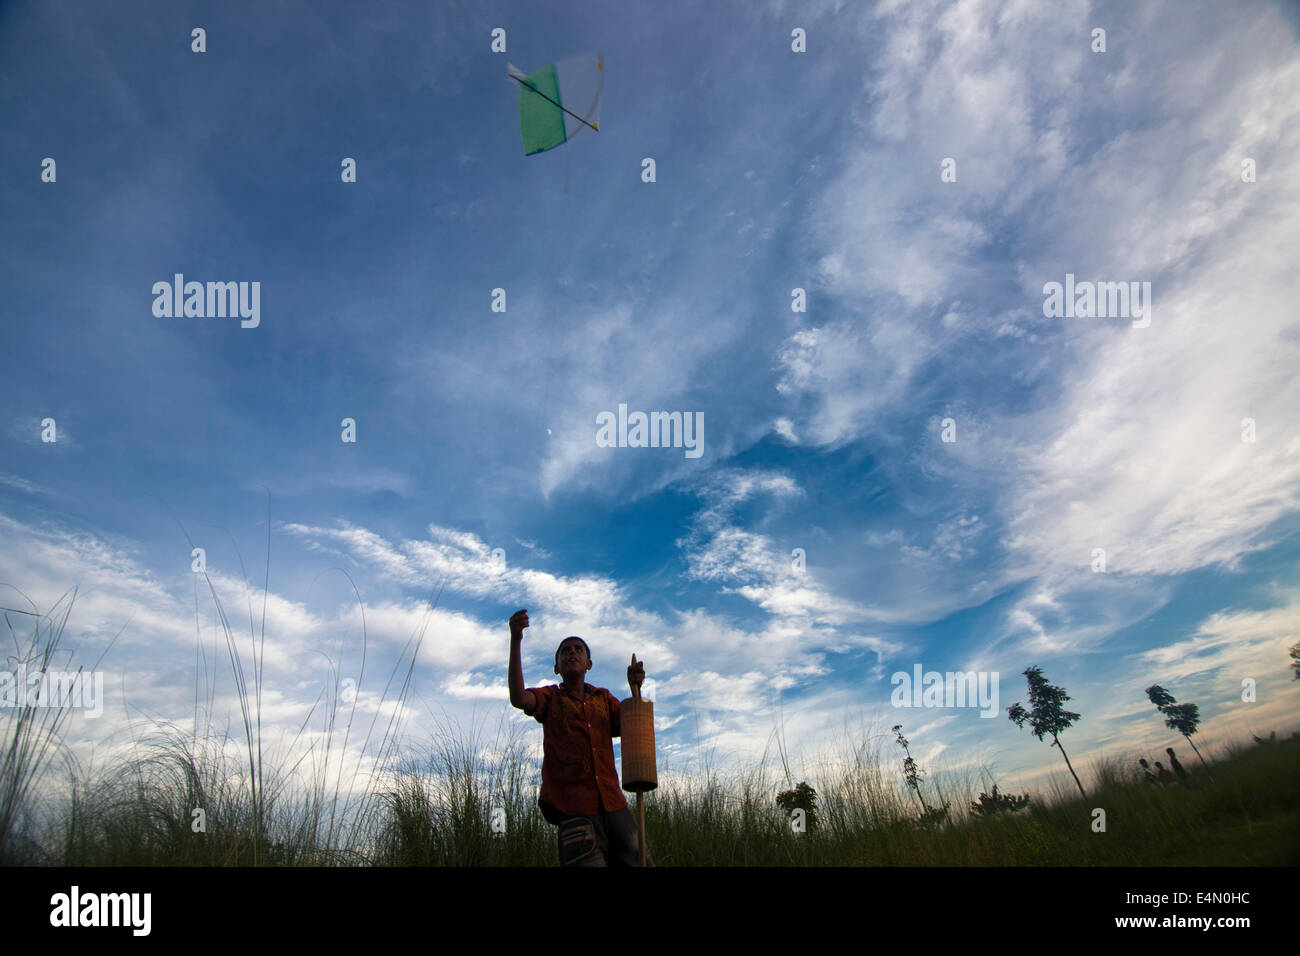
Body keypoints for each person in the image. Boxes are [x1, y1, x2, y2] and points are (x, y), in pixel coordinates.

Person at [507, 608, 653, 866]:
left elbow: (632, 726)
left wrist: (635, 690)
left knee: (639, 863)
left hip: (614, 804)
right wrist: (516, 639)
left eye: (578, 649)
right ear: (556, 667)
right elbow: (519, 698)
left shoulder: (603, 699)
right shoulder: (550, 698)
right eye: (565, 651)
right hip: (574, 810)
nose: (572, 652)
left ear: (589, 664)